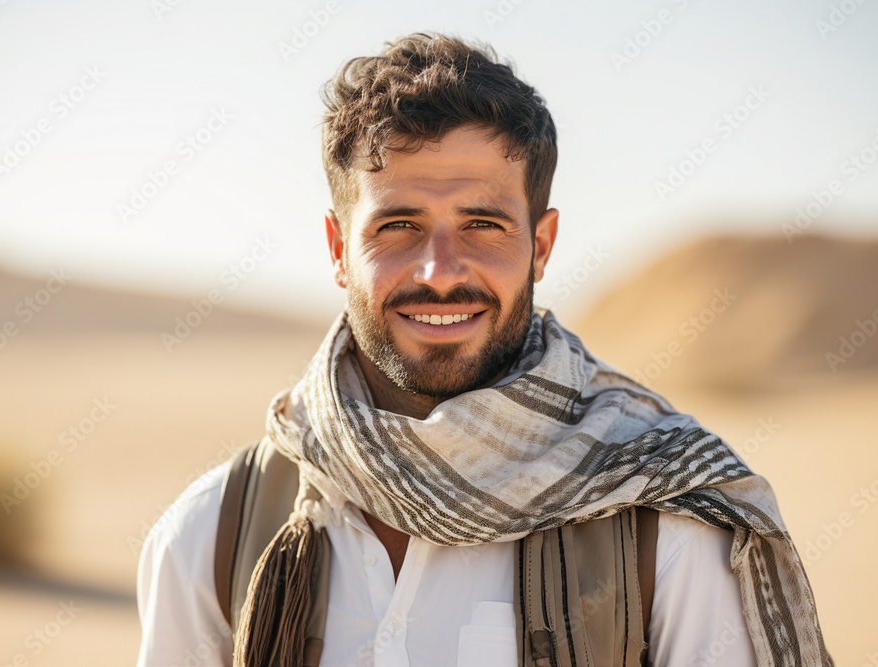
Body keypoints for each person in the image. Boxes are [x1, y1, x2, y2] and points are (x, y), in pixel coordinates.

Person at [137, 32, 832, 667]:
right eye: (399, 225)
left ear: (542, 245)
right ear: (338, 250)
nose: (441, 271)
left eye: (483, 224)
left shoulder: (667, 523)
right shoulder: (213, 536)